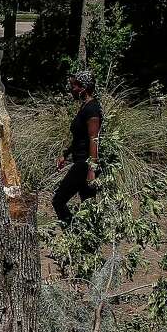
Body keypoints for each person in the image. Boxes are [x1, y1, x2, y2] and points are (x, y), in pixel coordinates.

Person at [53, 69, 102, 224]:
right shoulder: (85, 107)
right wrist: (65, 154)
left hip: (85, 165)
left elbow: (94, 139)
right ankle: (86, 241)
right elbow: (79, 138)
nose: (71, 90)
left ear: (83, 88)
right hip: (81, 162)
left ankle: (71, 233)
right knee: (88, 207)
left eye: (74, 86)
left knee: (58, 201)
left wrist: (91, 171)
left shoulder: (92, 109)